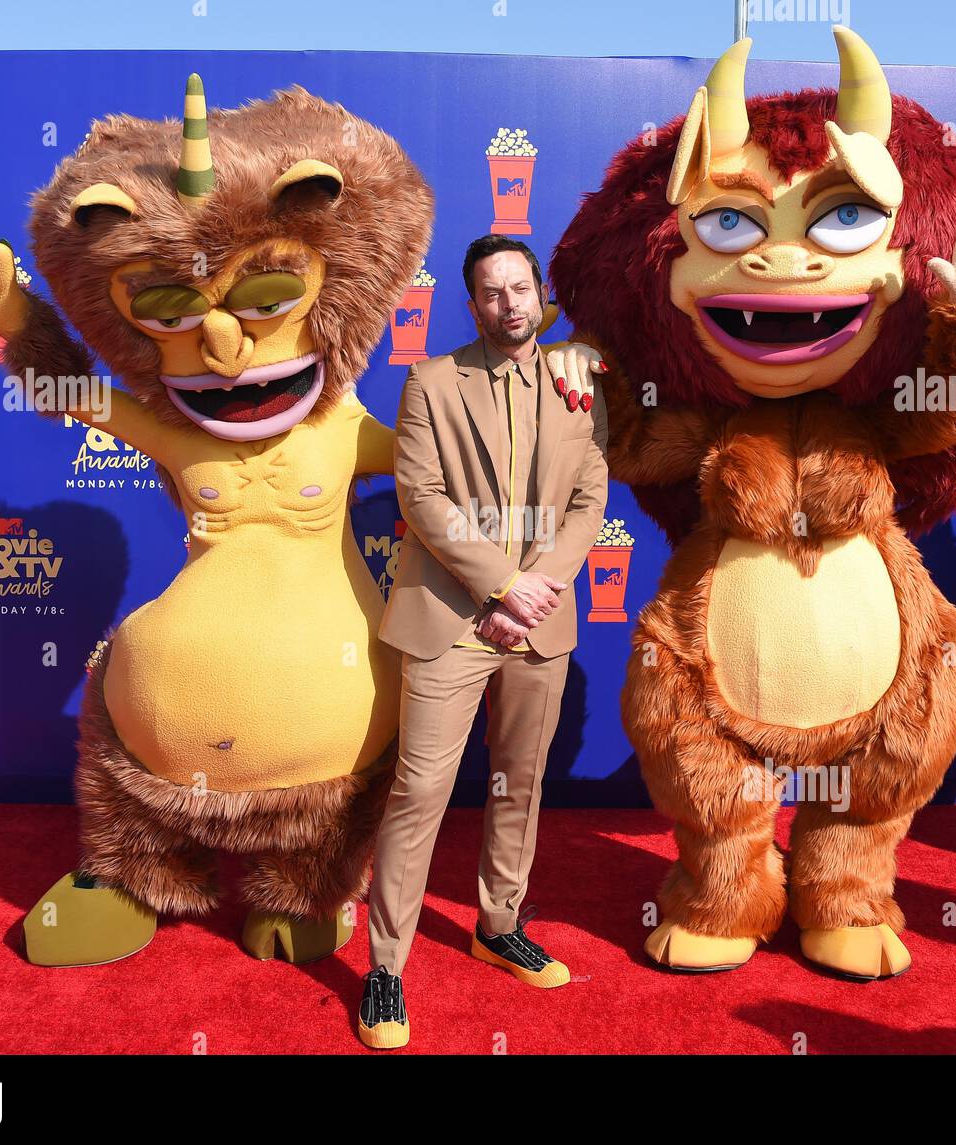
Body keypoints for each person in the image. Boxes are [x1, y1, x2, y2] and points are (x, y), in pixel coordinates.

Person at [357, 236, 608, 1049]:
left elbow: (588, 493)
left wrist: (533, 595)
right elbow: (422, 498)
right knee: (420, 788)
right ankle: (386, 966)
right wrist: (502, 586)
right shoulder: (430, 381)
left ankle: (498, 923)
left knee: (519, 782)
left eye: (520, 288)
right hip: (450, 619)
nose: (509, 304)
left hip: (540, 621)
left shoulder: (579, 379)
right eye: (492, 293)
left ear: (541, 295)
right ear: (472, 306)